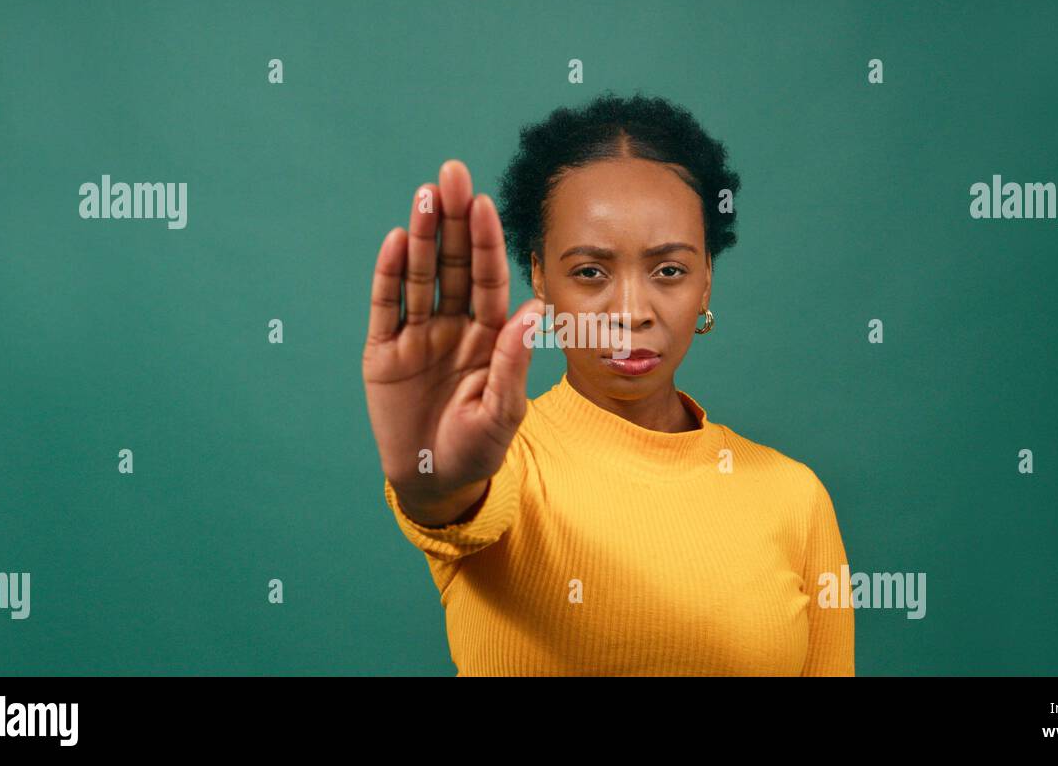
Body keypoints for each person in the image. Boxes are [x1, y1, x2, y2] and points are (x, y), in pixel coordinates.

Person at [363, 92, 853, 676]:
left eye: (669, 270)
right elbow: (454, 501)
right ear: (540, 275)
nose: (631, 310)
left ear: (706, 282)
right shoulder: (505, 458)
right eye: (590, 271)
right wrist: (433, 476)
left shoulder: (794, 496)